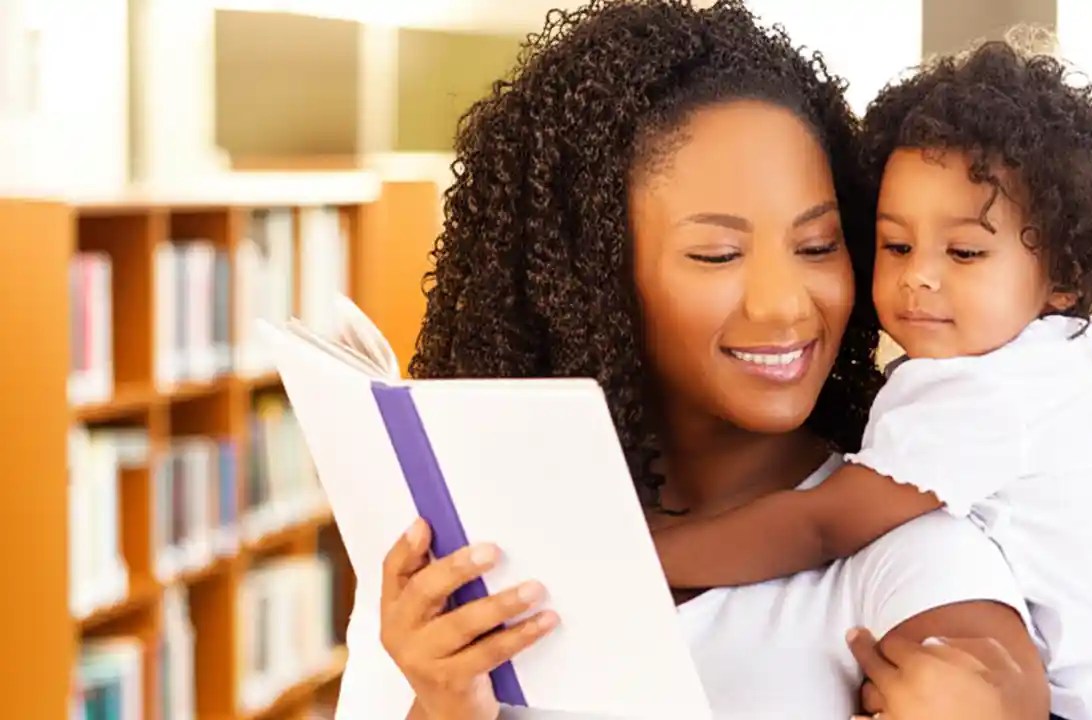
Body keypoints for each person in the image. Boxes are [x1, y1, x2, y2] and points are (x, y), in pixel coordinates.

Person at [335, 2, 1051, 719]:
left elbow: (1004, 687)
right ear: (593, 278)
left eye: (817, 246)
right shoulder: (455, 563)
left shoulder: (904, 551)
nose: (784, 306)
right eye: (717, 254)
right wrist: (444, 708)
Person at [651, 38, 1092, 720]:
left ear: (1064, 277)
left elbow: (822, 524)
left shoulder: (992, 391)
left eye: (965, 251)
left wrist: (643, 555)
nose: (918, 275)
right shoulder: (1058, 362)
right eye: (896, 245)